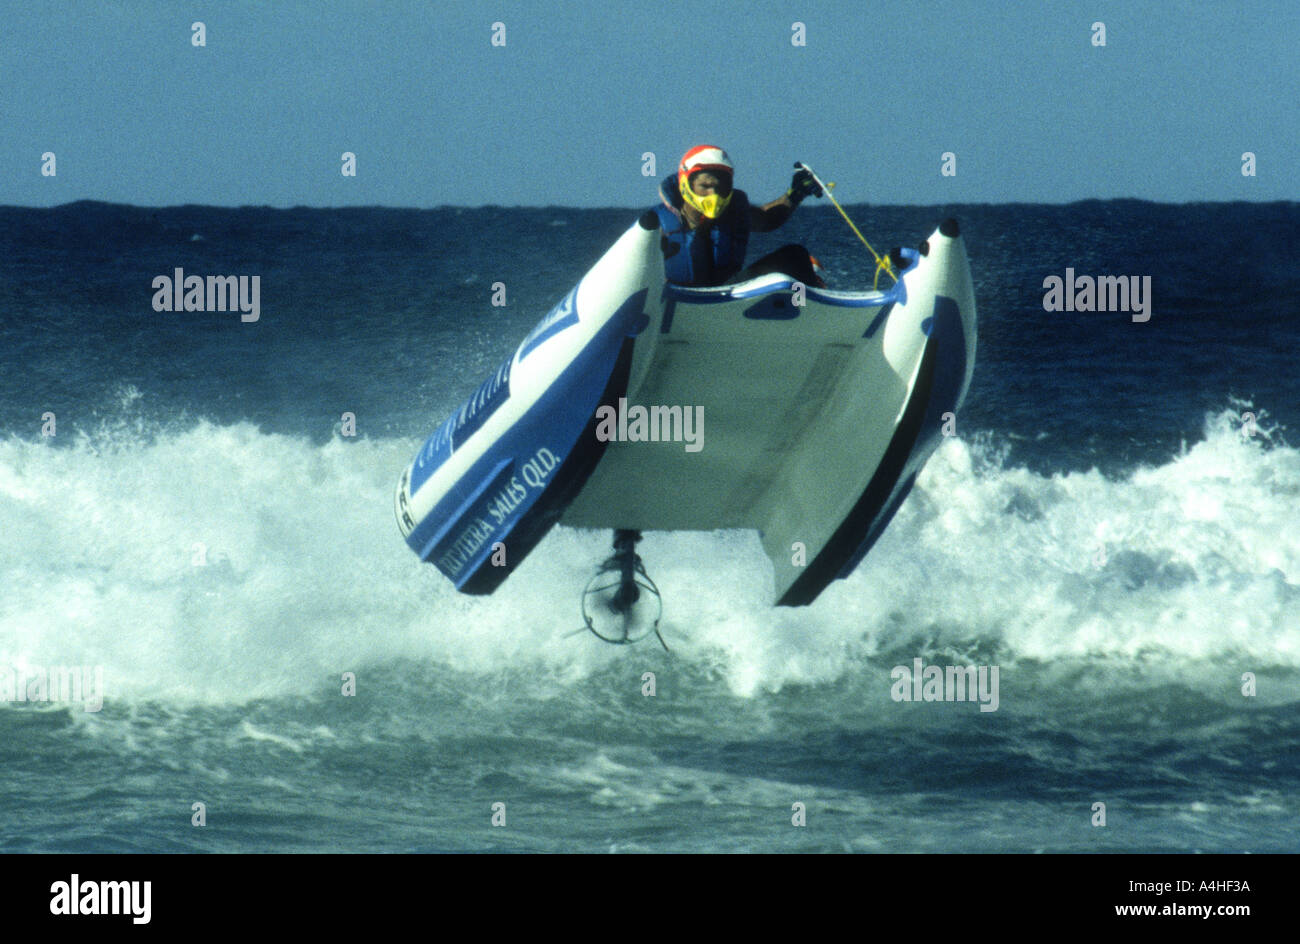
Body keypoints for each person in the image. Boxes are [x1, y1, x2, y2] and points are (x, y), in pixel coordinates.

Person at [653, 145, 824, 287]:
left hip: (727, 298)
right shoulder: (657, 222)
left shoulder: (734, 210)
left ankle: (814, 307)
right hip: (675, 300)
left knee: (795, 256)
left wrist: (796, 194)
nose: (714, 194)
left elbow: (768, 219)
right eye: (705, 186)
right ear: (685, 185)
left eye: (721, 187)